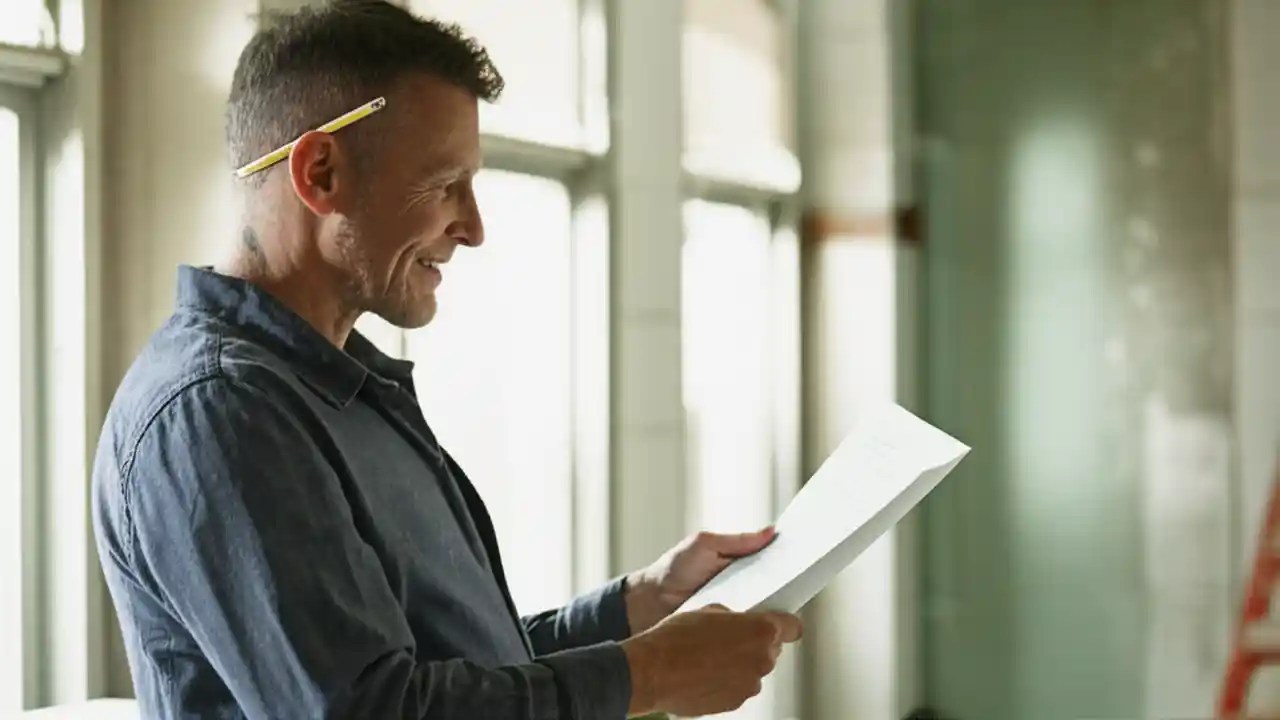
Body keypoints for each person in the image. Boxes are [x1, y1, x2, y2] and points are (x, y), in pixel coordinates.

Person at [91, 1, 803, 718]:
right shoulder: (220, 412)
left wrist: (636, 608)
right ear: (321, 171)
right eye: (442, 185)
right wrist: (646, 675)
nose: (474, 227)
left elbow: (455, 669)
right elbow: (373, 710)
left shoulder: (340, 390)